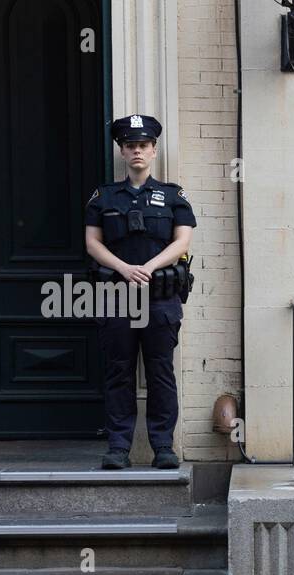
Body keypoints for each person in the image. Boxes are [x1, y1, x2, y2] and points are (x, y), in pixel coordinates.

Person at [84, 114, 196, 470]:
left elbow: (183, 240)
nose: (137, 151)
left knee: (161, 372)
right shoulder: (104, 197)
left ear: (153, 151)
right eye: (130, 145)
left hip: (160, 298)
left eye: (143, 146)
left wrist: (149, 267)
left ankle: (163, 447)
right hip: (117, 297)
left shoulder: (172, 195)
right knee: (119, 372)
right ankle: (119, 448)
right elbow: (92, 242)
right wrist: (124, 268)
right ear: (121, 151)